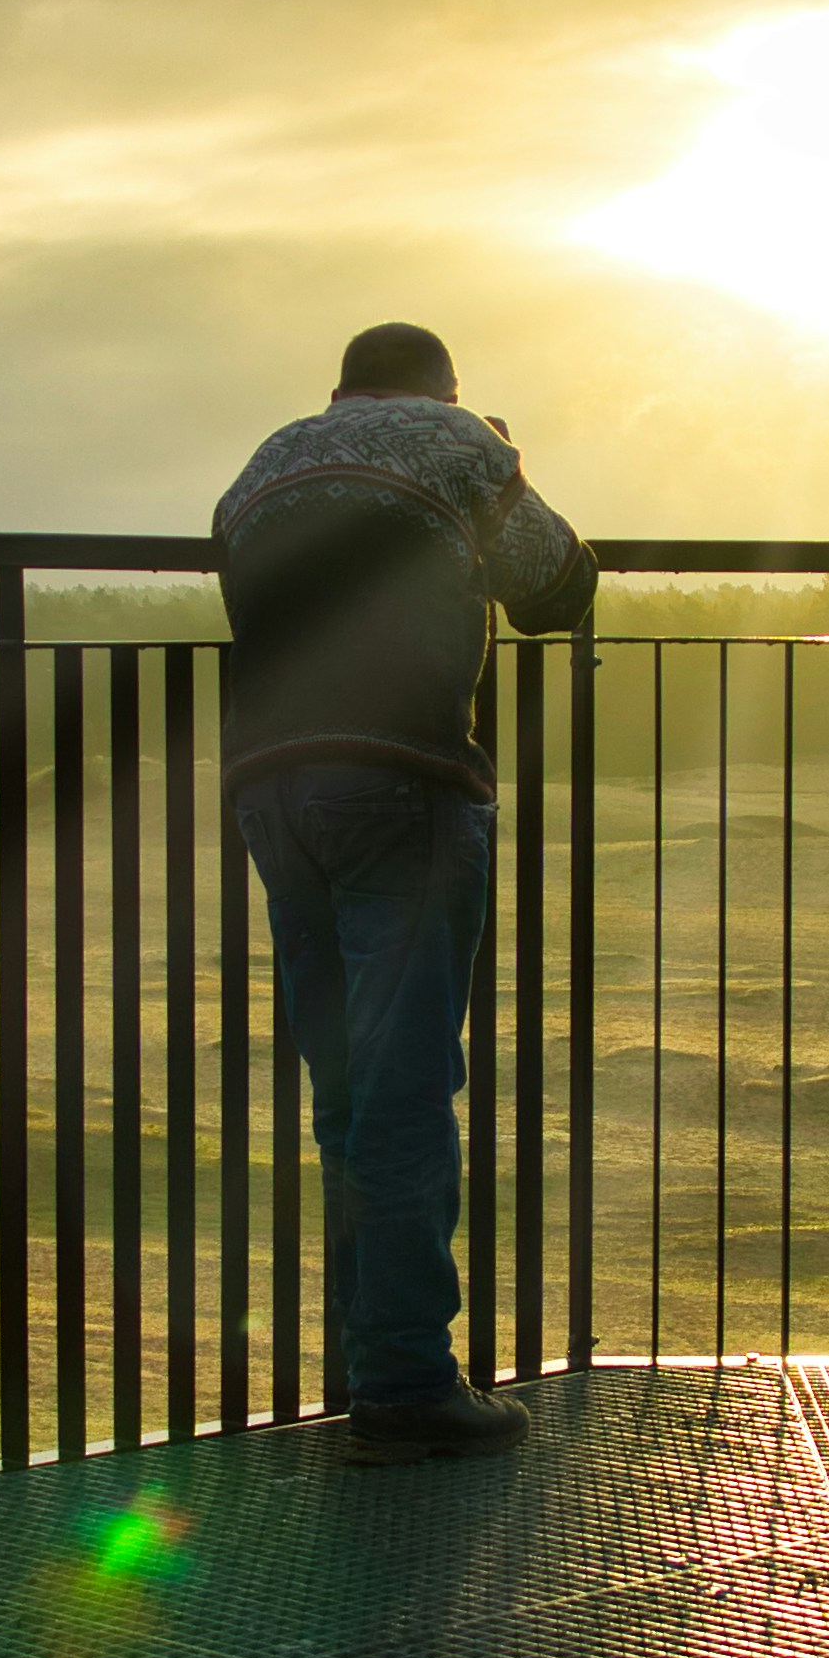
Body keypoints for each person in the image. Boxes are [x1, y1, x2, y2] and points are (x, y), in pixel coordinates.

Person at [214, 320, 597, 1462]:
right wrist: (497, 459)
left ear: (340, 387)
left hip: (270, 787)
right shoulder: (456, 442)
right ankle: (405, 1383)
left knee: (343, 1087)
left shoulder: (269, 457)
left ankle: (366, 1358)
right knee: (404, 1084)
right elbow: (555, 589)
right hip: (401, 781)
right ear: (443, 386)